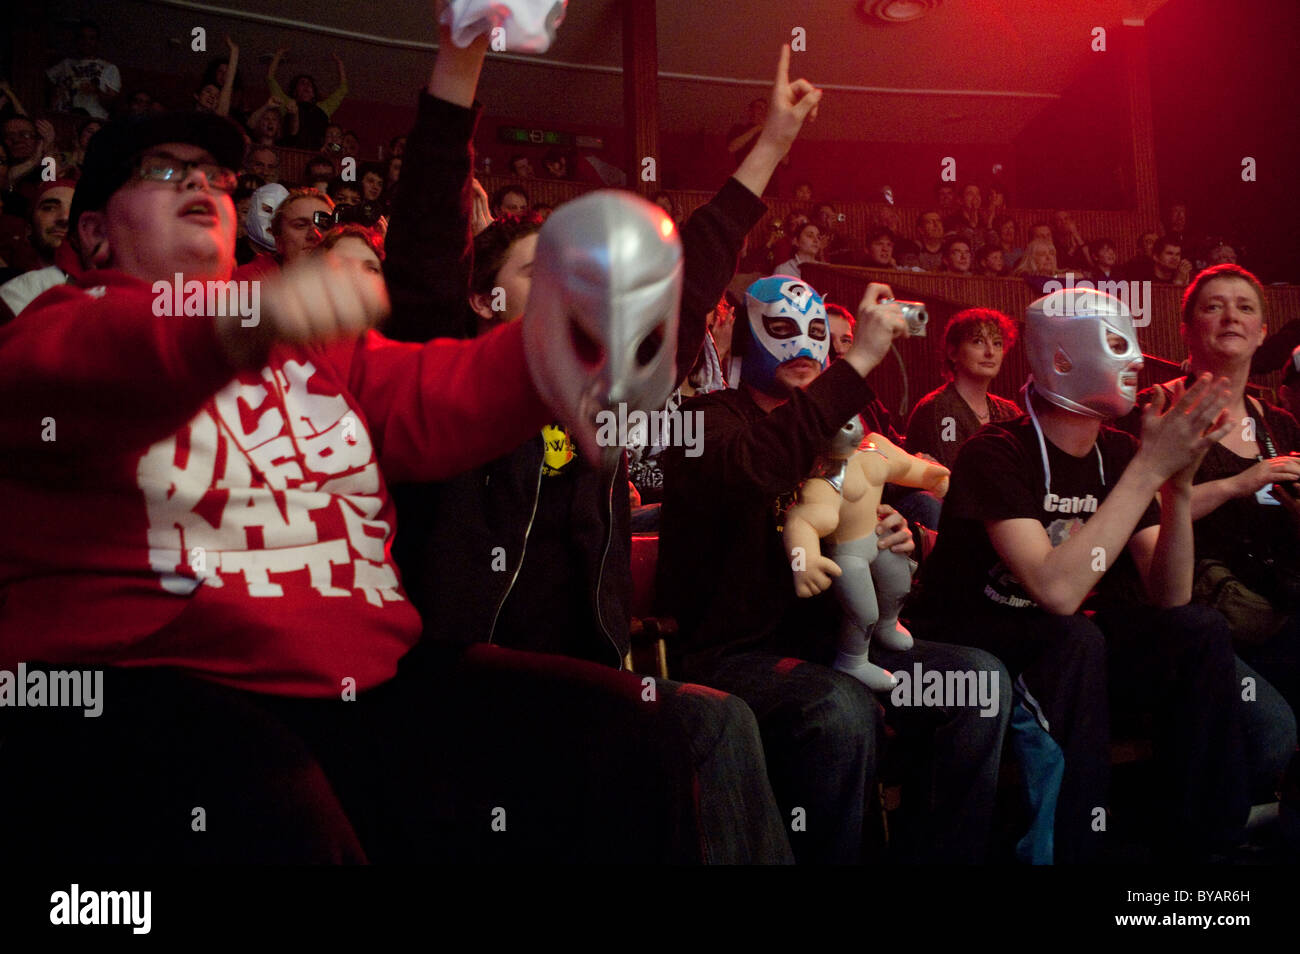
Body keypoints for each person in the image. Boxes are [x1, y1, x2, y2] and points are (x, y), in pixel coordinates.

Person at [0, 107, 578, 863]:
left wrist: (568, 347)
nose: (201, 183)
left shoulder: (307, 339)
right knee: (277, 801)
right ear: (97, 234)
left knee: (651, 740)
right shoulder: (57, 325)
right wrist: (234, 324)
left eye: (216, 176)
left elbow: (436, 394)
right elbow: (95, 365)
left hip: (370, 689)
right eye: (165, 169)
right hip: (154, 690)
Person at [660, 275, 1011, 863]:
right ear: (745, 335)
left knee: (978, 682)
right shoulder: (703, 421)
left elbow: (898, 504)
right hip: (736, 653)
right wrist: (861, 363)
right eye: (781, 328)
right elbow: (755, 464)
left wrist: (907, 538)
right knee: (836, 709)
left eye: (816, 331)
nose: (802, 344)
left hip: (845, 642)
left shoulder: (846, 431)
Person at [907, 286, 1250, 862]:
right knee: (1075, 637)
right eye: (1119, 344)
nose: (1137, 360)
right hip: (981, 637)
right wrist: (1149, 468)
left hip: (1068, 644)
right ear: (1061, 359)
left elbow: (1171, 593)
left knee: (1198, 629)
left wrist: (1179, 485)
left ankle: (1203, 852)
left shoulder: (1116, 454)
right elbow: (1057, 591)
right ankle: (1071, 849)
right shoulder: (996, 452)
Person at [1114, 266, 1300, 786]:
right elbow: (1129, 512)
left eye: (1245, 307)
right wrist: (1240, 483)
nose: (1231, 317)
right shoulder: (1153, 410)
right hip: (1188, 620)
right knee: (1271, 737)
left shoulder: (1278, 423)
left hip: (1270, 611)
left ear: (1263, 331)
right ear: (1186, 327)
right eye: (1213, 306)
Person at [905, 308, 1021, 470]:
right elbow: (954, 474)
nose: (990, 352)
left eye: (997, 343)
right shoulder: (940, 408)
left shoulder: (1009, 412)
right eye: (978, 341)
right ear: (953, 352)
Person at [267, 49, 349, 151]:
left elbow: (343, 89)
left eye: (309, 84)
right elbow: (270, 79)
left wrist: (339, 63)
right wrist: (278, 55)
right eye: (302, 83)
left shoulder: (324, 107)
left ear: (313, 93)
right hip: (291, 152)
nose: (306, 86)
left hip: (318, 154)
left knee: (344, 150)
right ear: (295, 91)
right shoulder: (288, 103)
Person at [45, 20, 120, 120]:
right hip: (63, 117)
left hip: (92, 122)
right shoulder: (65, 64)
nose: (86, 42)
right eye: (82, 37)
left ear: (97, 42)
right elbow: (42, 80)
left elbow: (113, 105)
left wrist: (96, 91)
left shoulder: (109, 68)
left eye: (91, 38)